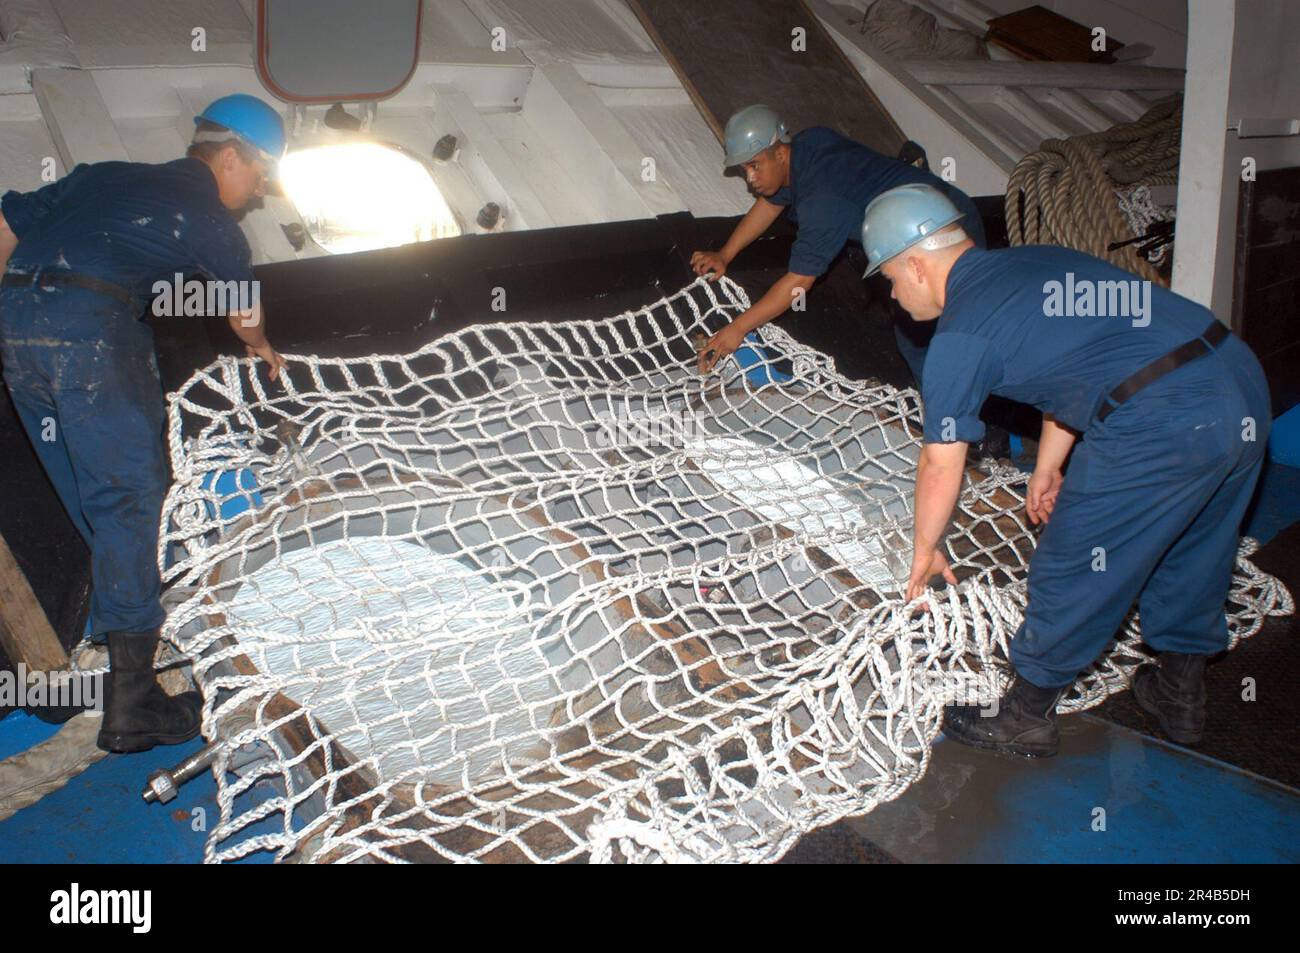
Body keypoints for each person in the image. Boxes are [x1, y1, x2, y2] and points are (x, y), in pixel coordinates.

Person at [864, 183, 1270, 756]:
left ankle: (1026, 715)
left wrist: (925, 547)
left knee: (1076, 560)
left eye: (890, 280)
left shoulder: (959, 339)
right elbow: (1083, 364)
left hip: (1165, 419)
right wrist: (1048, 466)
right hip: (1236, 378)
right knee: (1195, 544)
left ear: (916, 264)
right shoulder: (1037, 261)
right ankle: (1180, 694)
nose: (895, 296)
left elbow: (939, 458)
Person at [0, 93, 288, 752]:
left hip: (18, 326)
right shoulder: (212, 221)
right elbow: (243, 312)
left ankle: (120, 642)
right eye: (261, 171)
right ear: (229, 156)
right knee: (132, 499)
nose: (262, 188)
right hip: (93, 333)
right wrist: (261, 347)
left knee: (91, 493)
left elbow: (6, 226)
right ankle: (134, 707)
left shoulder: (102, 175)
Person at [692, 104, 985, 382]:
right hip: (914, 222)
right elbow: (770, 203)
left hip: (942, 226)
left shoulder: (821, 202)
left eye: (754, 166)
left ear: (780, 153)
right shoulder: (806, 145)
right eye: (744, 170)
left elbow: (799, 283)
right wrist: (725, 254)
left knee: (926, 338)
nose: (750, 179)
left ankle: (964, 425)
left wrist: (738, 328)